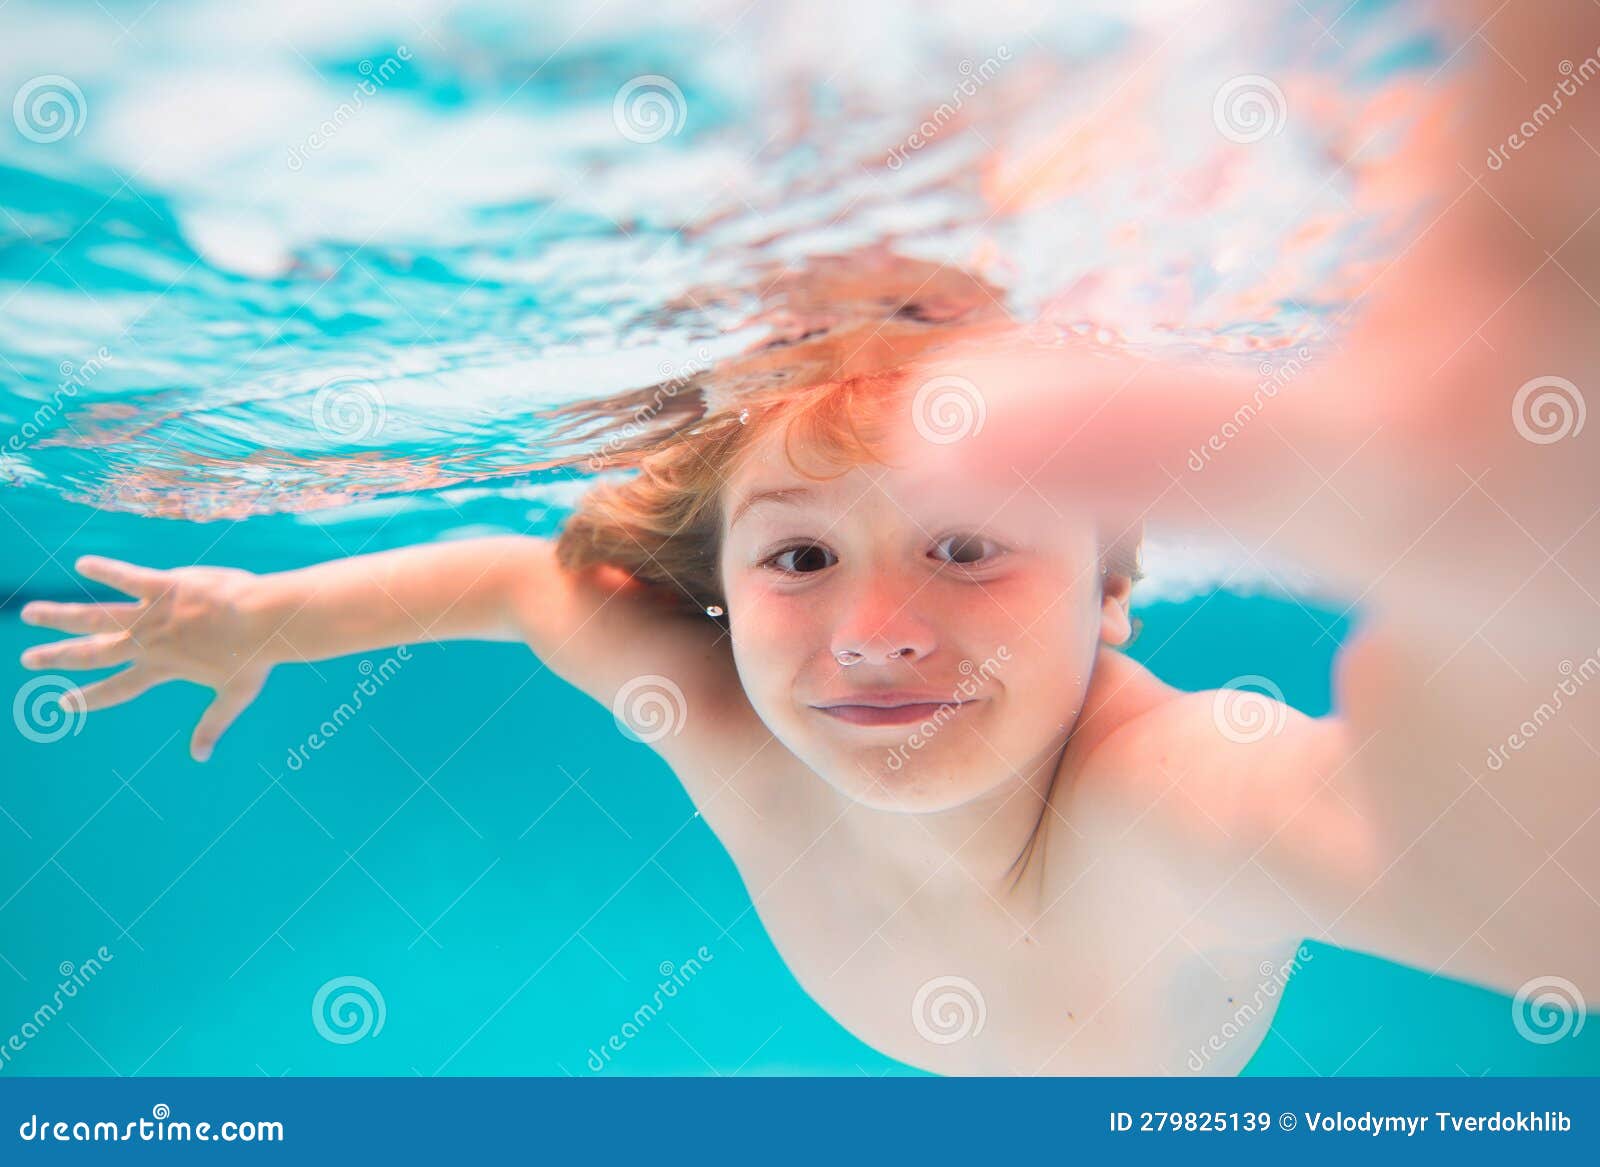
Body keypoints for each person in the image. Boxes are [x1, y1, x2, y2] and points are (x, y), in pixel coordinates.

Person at [18, 1, 1599, 1074]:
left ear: (1116, 589)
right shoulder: (736, 730)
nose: (874, 634)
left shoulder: (1143, 805)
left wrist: (1518, 626)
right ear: (717, 584)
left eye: (971, 546)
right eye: (797, 558)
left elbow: (1483, 880)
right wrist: (256, 622)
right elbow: (516, 580)